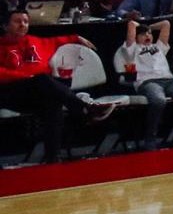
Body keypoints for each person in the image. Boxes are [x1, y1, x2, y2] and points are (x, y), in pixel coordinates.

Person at [0, 9, 115, 161]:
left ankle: (52, 159)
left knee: (52, 103)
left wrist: (76, 37)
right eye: (17, 21)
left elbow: (58, 40)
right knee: (42, 80)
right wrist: (26, 77)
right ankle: (85, 109)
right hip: (10, 92)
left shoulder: (35, 41)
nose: (22, 25)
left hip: (35, 92)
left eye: (26, 21)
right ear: (5, 26)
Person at [115, 16, 173, 148]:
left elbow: (166, 24)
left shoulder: (159, 47)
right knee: (158, 100)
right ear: (136, 37)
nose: (147, 35)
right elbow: (131, 24)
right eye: (143, 34)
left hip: (169, 80)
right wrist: (139, 26)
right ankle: (150, 137)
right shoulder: (131, 50)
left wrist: (149, 27)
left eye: (149, 34)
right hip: (148, 82)